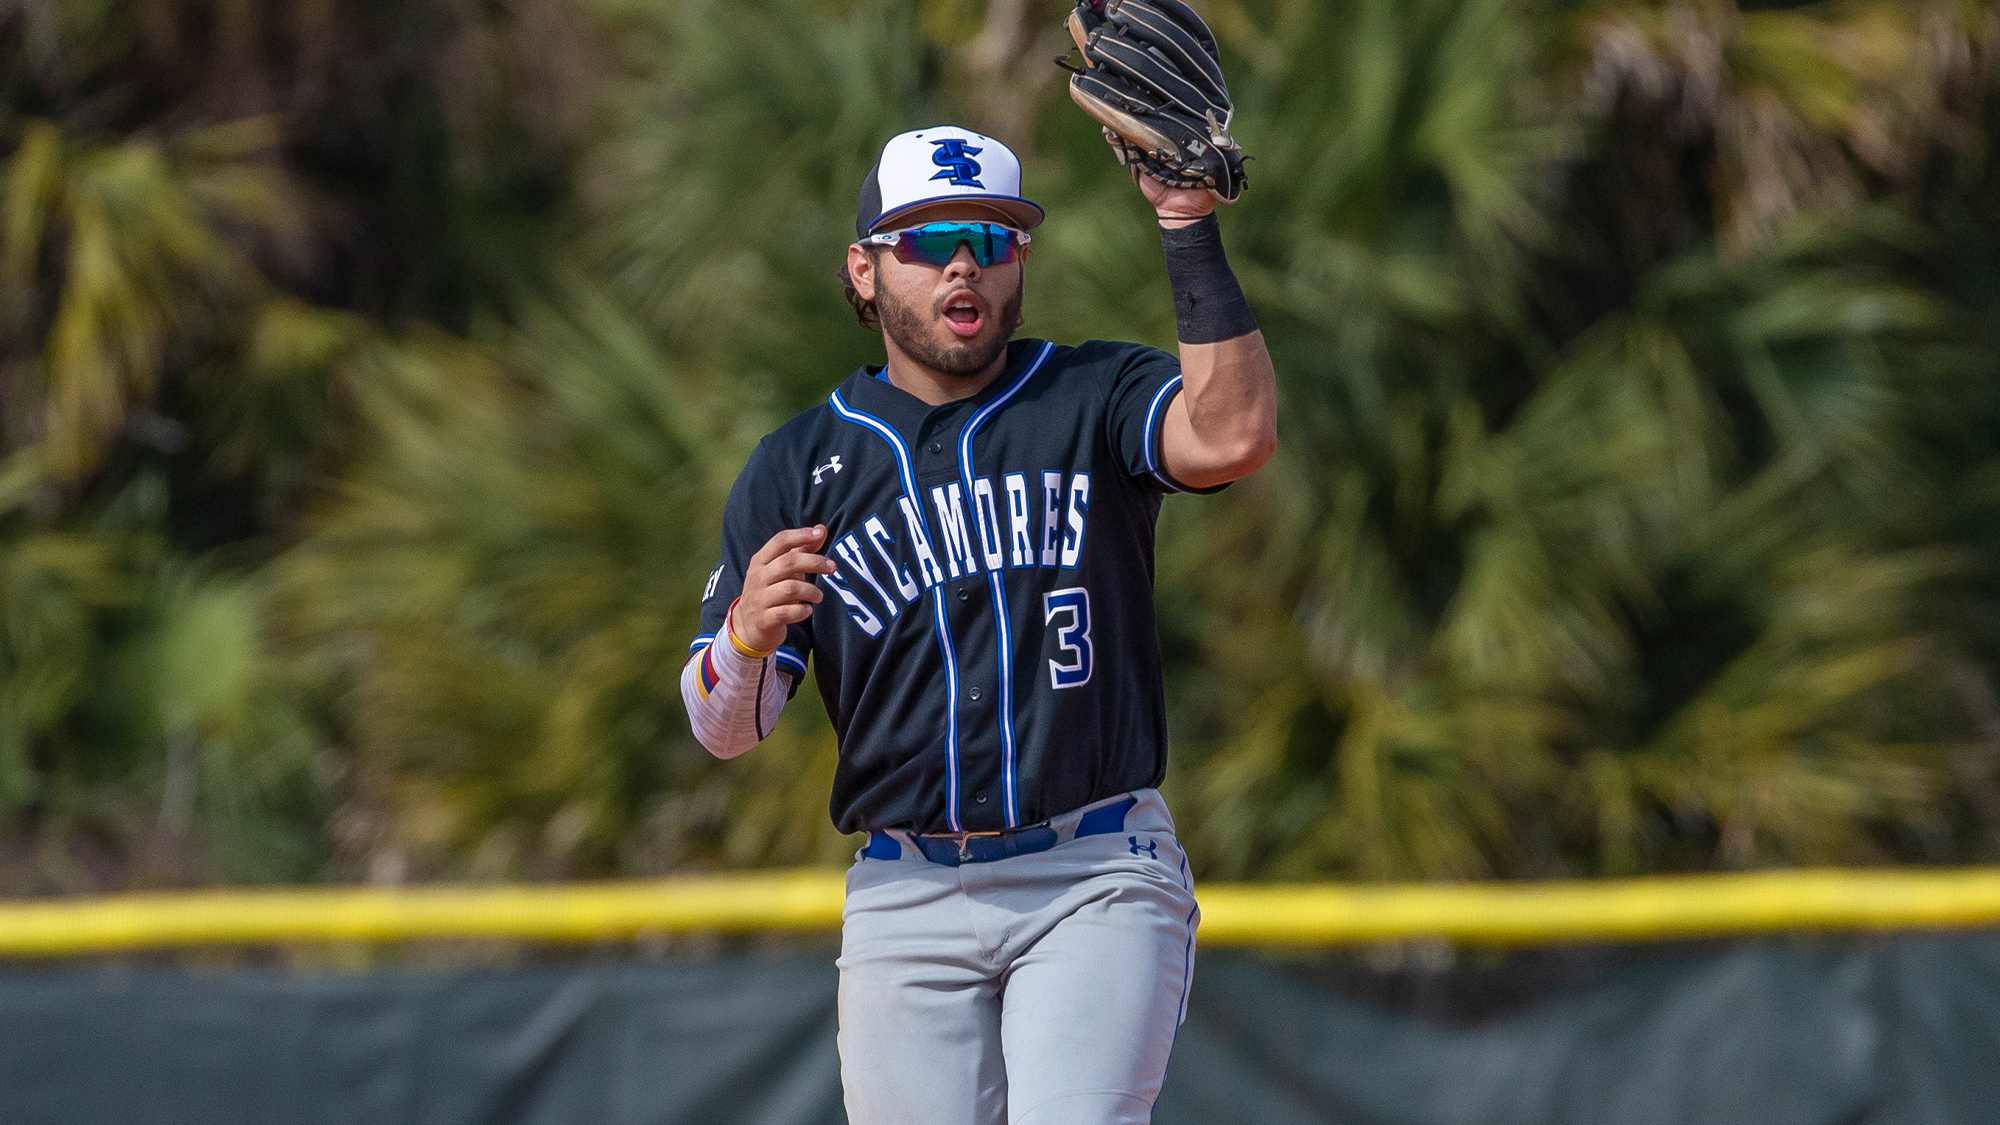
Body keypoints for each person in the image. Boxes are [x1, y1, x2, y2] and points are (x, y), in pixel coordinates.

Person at [681, 123, 1275, 1125]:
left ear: (1017, 265)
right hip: (902, 891)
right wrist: (741, 643)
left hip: (1090, 872)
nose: (964, 261)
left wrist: (1184, 225)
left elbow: (1231, 433)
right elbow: (721, 730)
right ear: (863, 271)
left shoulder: (1089, 395)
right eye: (927, 240)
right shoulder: (797, 467)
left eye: (991, 240)